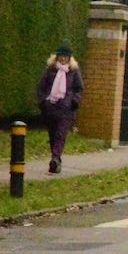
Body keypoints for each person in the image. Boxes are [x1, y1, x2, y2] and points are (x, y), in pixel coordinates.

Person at [36, 44, 84, 174]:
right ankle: (56, 159)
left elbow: (79, 88)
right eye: (61, 56)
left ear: (69, 58)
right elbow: (41, 87)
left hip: (66, 109)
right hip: (51, 108)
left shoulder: (74, 71)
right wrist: (43, 101)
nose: (63, 59)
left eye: (65, 56)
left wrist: (74, 101)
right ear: (56, 57)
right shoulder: (50, 70)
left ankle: (55, 159)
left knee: (60, 134)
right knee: (53, 135)